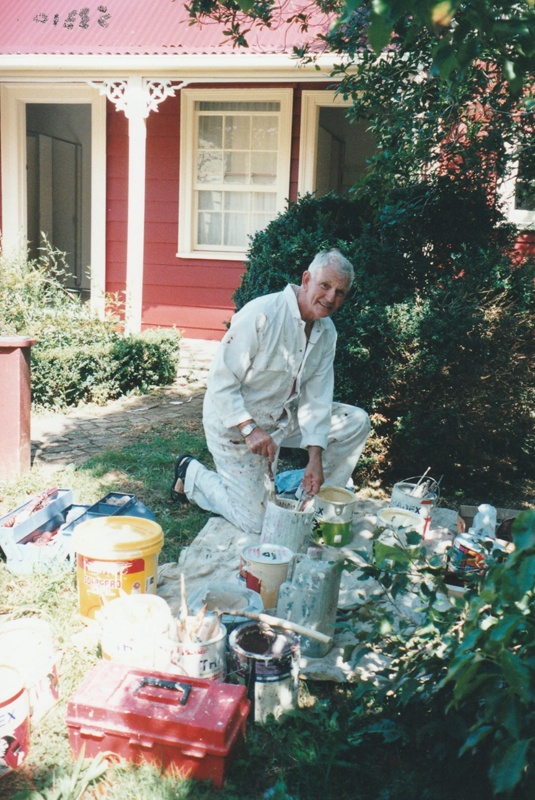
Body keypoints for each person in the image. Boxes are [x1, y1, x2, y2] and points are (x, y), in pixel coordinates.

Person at [170, 248, 370, 534]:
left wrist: (315, 459)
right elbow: (220, 380)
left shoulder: (327, 332)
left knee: (356, 421)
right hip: (235, 425)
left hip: (282, 420)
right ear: (306, 280)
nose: (330, 298)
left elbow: (317, 398)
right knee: (257, 523)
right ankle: (191, 474)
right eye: (325, 286)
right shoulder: (262, 314)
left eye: (340, 292)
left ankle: (313, 503)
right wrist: (249, 428)